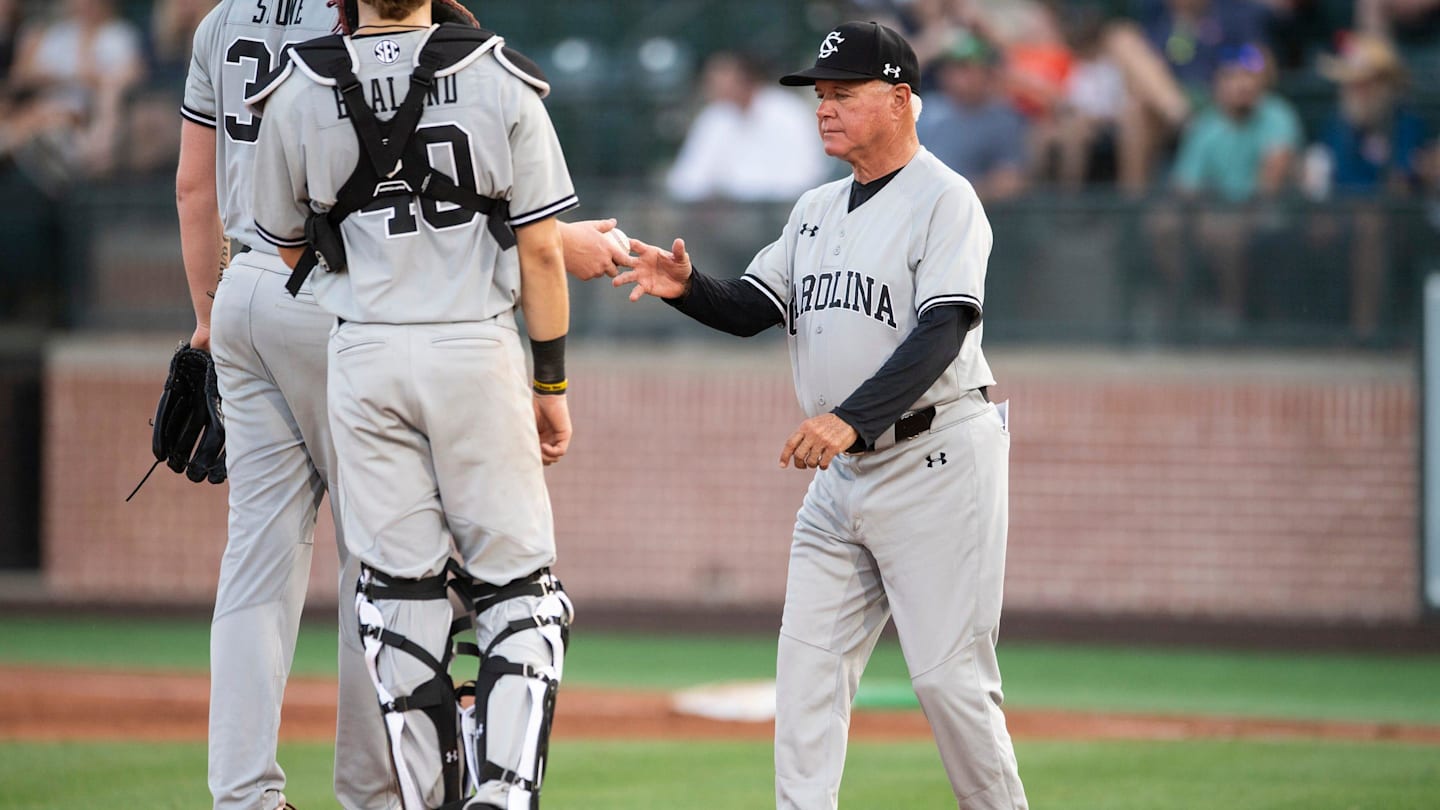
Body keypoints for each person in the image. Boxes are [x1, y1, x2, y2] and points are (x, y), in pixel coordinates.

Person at [177, 1, 621, 808]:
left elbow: (219, 201)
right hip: (431, 328)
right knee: (470, 580)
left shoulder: (250, 42)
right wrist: (551, 382)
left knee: (296, 575)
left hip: (284, 306)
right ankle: (432, 793)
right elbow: (532, 241)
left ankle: (249, 795)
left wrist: (209, 317)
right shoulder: (487, 67)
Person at [617, 21, 1026, 810]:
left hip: (937, 461)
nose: (824, 108)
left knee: (949, 683)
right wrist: (689, 286)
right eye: (820, 95)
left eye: (843, 93)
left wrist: (851, 419)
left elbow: (944, 327)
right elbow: (753, 307)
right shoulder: (815, 208)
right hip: (843, 481)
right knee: (804, 681)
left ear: (901, 99)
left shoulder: (947, 199)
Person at [1150, 43, 1300, 324]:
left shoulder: (1277, 114)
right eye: (1232, 77)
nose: (1241, 85)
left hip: (1265, 213)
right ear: (1219, 84)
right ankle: (1183, 308)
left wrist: (1225, 214)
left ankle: (1234, 315)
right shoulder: (1208, 124)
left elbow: (1269, 186)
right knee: (1163, 224)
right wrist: (1204, 213)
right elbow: (1185, 186)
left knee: (1228, 234)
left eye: (1248, 76)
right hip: (1215, 211)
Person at [1306, 32, 1434, 336]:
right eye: (1351, 83)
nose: (1355, 91)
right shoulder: (1337, 125)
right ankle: (1306, 330)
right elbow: (1322, 176)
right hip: (1342, 214)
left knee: (1370, 226)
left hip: (1401, 225)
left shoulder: (1406, 123)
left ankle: (1365, 332)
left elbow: (1401, 187)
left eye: (1364, 83)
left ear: (1385, 85)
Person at [666, 51, 829, 202]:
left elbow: (803, 177)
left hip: (778, 216)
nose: (712, 83)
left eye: (721, 75)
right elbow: (686, 179)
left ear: (746, 79)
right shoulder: (713, 117)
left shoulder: (788, 113)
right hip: (723, 218)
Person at [917, 32, 1029, 201]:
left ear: (987, 73)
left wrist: (953, 194)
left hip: (975, 213)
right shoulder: (925, 108)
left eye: (965, 69)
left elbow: (1009, 180)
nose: (956, 77)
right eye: (950, 69)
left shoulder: (1003, 118)